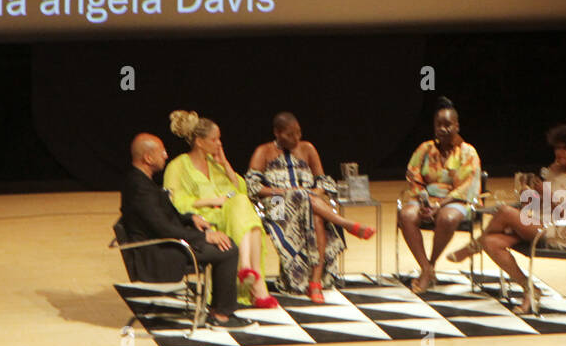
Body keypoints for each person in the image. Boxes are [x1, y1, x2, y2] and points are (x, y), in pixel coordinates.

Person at [448, 123, 566, 314]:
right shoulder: (554, 168)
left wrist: (547, 197)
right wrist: (531, 195)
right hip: (537, 222)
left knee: (504, 211)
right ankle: (530, 289)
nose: (559, 152)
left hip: (560, 233)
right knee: (490, 241)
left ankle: (472, 247)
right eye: (557, 147)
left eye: (565, 148)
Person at [118, 132, 253, 329]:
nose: (166, 155)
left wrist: (190, 218)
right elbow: (164, 228)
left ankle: (219, 309)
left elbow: (163, 216)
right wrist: (204, 236)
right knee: (228, 249)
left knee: (225, 244)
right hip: (159, 251)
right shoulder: (139, 188)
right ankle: (222, 314)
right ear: (148, 158)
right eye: (162, 152)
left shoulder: (141, 180)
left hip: (167, 241)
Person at [247, 112, 374, 303]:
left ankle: (315, 282)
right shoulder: (263, 152)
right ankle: (347, 224)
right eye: (290, 135)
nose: (296, 138)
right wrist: (285, 192)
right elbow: (253, 186)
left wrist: (316, 192)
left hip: (311, 205)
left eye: (298, 133)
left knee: (314, 214)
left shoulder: (308, 149)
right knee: (301, 195)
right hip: (277, 205)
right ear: (277, 133)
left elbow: (323, 181)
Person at [163, 110, 277, 309]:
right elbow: (175, 201)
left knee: (243, 207)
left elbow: (240, 190)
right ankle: (257, 285)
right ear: (199, 141)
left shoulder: (215, 165)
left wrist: (225, 164)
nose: (219, 144)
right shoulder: (178, 166)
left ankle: (248, 270)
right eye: (215, 140)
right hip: (203, 219)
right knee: (246, 215)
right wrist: (211, 200)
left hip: (229, 215)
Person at [398, 96, 482, 295]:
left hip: (456, 200)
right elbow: (413, 175)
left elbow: (467, 187)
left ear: (457, 126)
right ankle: (426, 267)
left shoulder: (468, 152)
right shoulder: (425, 148)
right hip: (427, 199)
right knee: (406, 215)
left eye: (448, 124)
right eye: (439, 124)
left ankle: (431, 264)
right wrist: (424, 200)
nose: (443, 129)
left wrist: (440, 204)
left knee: (447, 217)